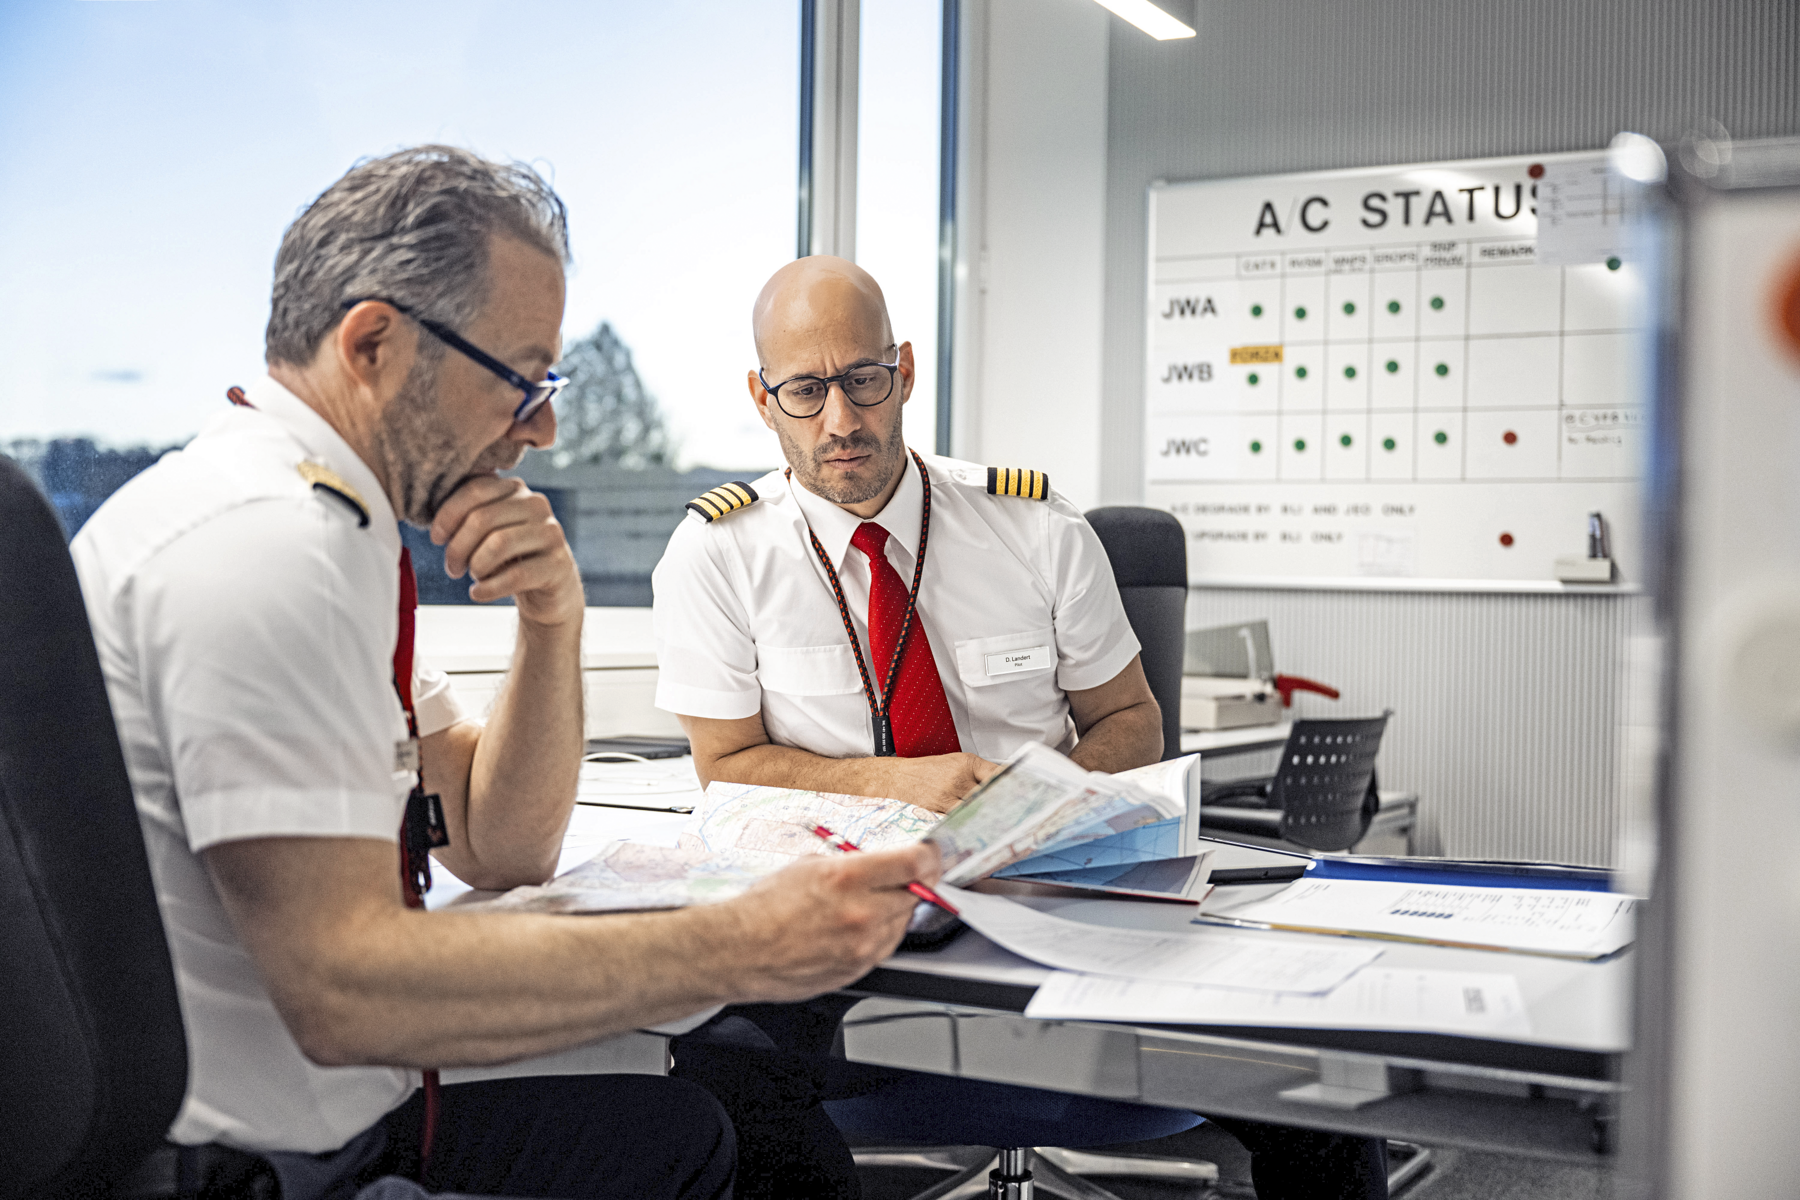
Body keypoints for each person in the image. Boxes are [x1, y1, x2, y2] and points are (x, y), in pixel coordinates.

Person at [70, 147, 940, 1200]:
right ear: (376, 345)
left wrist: (551, 621)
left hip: (352, 1114)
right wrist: (740, 948)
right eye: (521, 379)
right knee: (752, 1157)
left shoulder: (325, 529)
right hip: (265, 1171)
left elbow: (498, 843)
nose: (545, 427)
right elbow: (346, 989)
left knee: (721, 1137)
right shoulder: (263, 553)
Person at [649, 255, 1390, 1200]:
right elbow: (728, 764)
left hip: (1043, 870)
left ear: (905, 371)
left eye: (863, 382)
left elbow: (1128, 717)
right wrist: (909, 784)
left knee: (1304, 1056)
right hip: (838, 887)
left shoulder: (1033, 525)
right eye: (805, 392)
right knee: (729, 1064)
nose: (841, 420)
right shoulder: (717, 552)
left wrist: (1047, 808)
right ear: (763, 400)